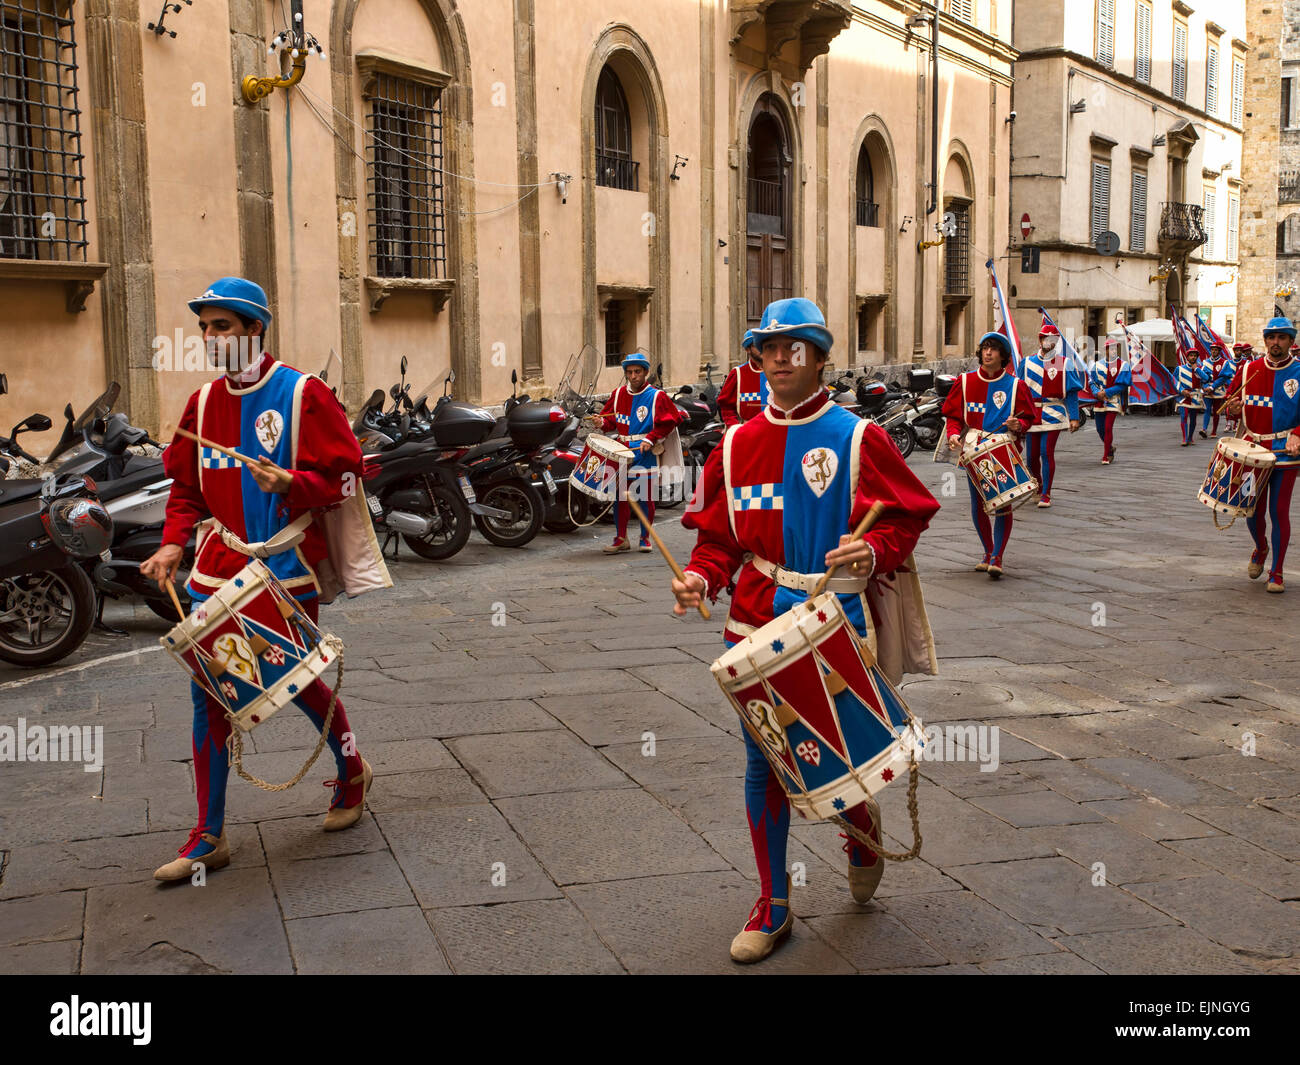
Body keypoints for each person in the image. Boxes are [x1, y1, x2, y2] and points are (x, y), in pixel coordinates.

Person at [670, 297, 939, 964]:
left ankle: (858, 825)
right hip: (754, 620)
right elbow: (717, 543)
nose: (780, 361)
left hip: (834, 621)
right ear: (756, 357)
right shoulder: (733, 446)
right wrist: (701, 579)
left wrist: (874, 552)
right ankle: (774, 902)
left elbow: (906, 515)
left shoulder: (858, 437)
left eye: (796, 349)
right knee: (764, 758)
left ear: (820, 357)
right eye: (769, 349)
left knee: (837, 753)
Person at [140, 277, 388, 881]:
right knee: (211, 696)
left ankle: (352, 769)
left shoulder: (303, 394)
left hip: (283, 568)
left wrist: (294, 484)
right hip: (216, 568)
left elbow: (347, 481)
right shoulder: (199, 406)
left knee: (297, 682)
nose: (208, 337)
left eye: (221, 326)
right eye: (204, 327)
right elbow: (185, 489)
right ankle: (209, 835)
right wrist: (174, 544)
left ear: (254, 328)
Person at [942, 332, 1037, 578]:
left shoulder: (1017, 385)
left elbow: (1027, 418)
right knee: (978, 504)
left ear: (1003, 356)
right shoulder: (964, 382)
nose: (987, 353)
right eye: (985, 348)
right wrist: (953, 434)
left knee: (1003, 502)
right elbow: (954, 417)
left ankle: (997, 556)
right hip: (974, 451)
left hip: (1004, 450)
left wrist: (1019, 425)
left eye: (993, 349)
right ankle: (987, 551)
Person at [1222, 317, 1300, 593]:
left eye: (1282, 338)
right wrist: (1232, 407)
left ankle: (1277, 571)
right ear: (1265, 340)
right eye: (1271, 337)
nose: (1275, 343)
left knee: (1279, 512)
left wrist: (1298, 433)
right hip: (1252, 451)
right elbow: (1230, 404)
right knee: (1251, 511)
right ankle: (1261, 547)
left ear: (1291, 341)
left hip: (1285, 455)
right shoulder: (1248, 371)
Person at [597, 353, 685, 553]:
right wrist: (600, 422)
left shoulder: (657, 396)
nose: (633, 376)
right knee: (620, 497)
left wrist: (651, 438)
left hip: (645, 452)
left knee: (645, 496)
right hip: (621, 451)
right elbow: (609, 420)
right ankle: (621, 539)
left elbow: (671, 420)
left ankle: (645, 537)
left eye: (637, 372)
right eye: (629, 372)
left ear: (645, 372)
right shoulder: (618, 394)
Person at [1018, 320, 1082, 508]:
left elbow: (1071, 392)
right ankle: (1038, 486)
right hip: (1031, 414)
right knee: (1031, 457)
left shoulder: (1065, 363)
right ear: (1040, 340)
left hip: (1054, 413)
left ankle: (1046, 493)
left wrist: (1075, 417)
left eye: (1052, 339)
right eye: (1045, 338)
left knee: (1046, 452)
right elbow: (1018, 390)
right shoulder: (1027, 363)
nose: (1048, 341)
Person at [1088, 339, 1131, 464]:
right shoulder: (1097, 365)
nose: (1113, 350)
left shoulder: (1123, 365)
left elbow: (1122, 385)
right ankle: (1110, 447)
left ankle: (1107, 455)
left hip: (1113, 400)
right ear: (1105, 350)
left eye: (1115, 348)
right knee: (1099, 428)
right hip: (1099, 400)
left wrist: (1106, 392)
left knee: (1108, 427)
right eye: (1110, 348)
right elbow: (1092, 382)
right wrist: (1097, 393)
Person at [716, 330, 770, 427]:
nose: (762, 349)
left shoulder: (778, 371)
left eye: (765, 344)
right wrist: (735, 428)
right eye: (757, 345)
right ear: (748, 349)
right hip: (749, 434)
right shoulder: (738, 373)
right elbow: (726, 407)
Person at [1175, 357, 1209, 447]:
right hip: (1183, 396)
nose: (1193, 357)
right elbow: (1174, 381)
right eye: (1191, 355)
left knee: (1193, 418)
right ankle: (1185, 438)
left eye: (1195, 355)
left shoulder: (1200, 369)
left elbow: (1206, 378)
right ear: (1187, 357)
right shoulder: (1179, 368)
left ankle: (1190, 438)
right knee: (1184, 416)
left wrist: (1196, 369)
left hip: (1195, 397)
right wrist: (1182, 390)